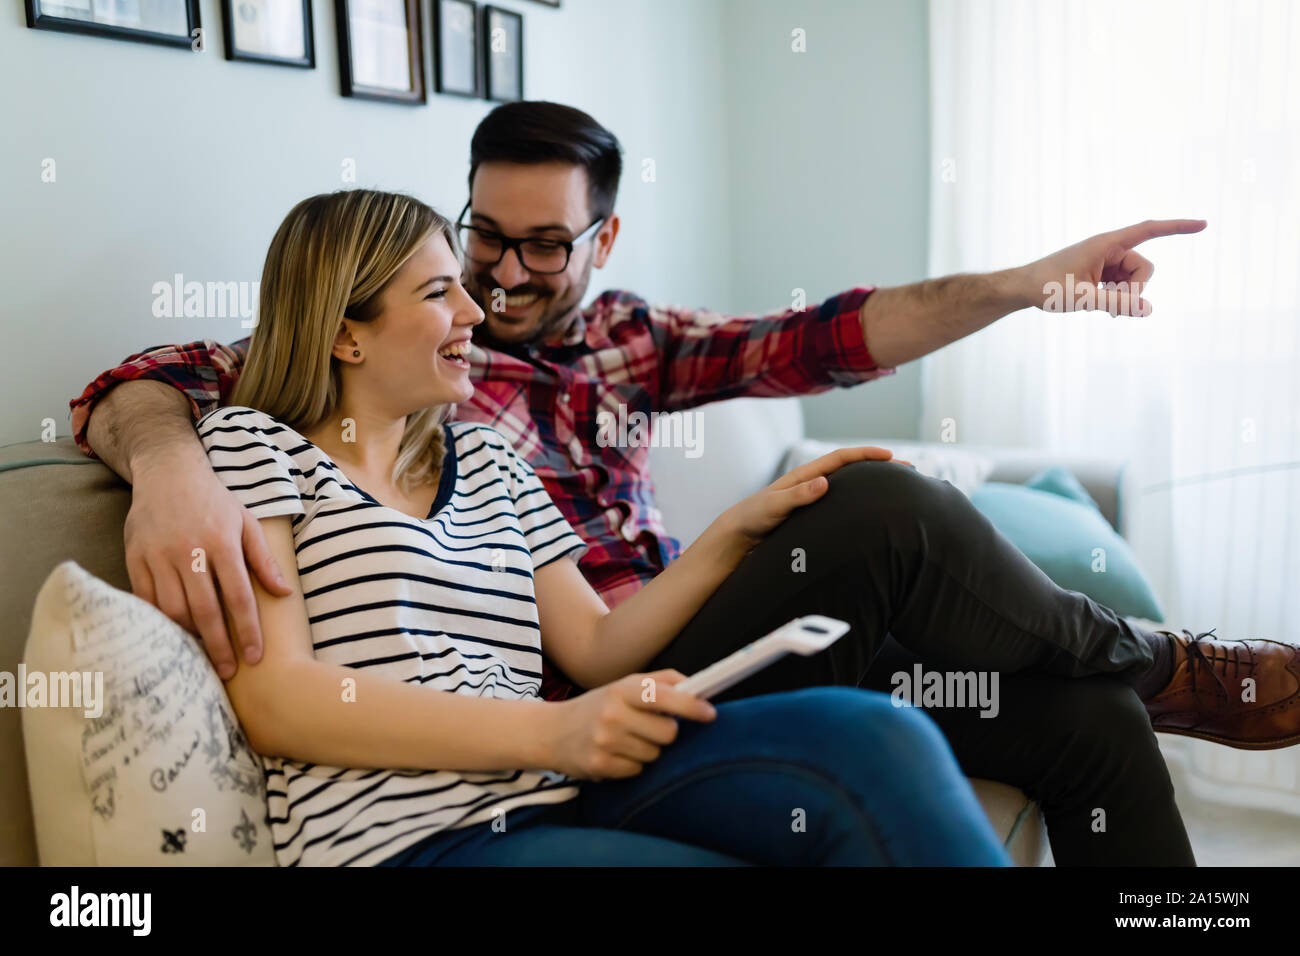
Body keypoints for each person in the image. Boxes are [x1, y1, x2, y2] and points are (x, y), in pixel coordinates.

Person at [71, 102, 1300, 867]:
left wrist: (1031, 281)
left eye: (538, 245)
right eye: (478, 240)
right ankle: (1170, 663)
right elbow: (149, 379)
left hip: (676, 661)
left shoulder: (619, 351)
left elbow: (830, 332)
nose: (497, 279)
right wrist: (169, 460)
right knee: (882, 512)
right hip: (551, 719)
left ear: (599, 242)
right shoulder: (342, 391)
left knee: (1086, 727)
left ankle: (1138, 695)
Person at [196, 186, 1009, 867]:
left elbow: (596, 647)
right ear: (345, 333)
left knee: (878, 732)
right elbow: (279, 701)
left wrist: (735, 533)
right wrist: (554, 730)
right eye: (438, 292)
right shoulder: (254, 447)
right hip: (407, 838)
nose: (476, 312)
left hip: (555, 793)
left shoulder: (486, 457)